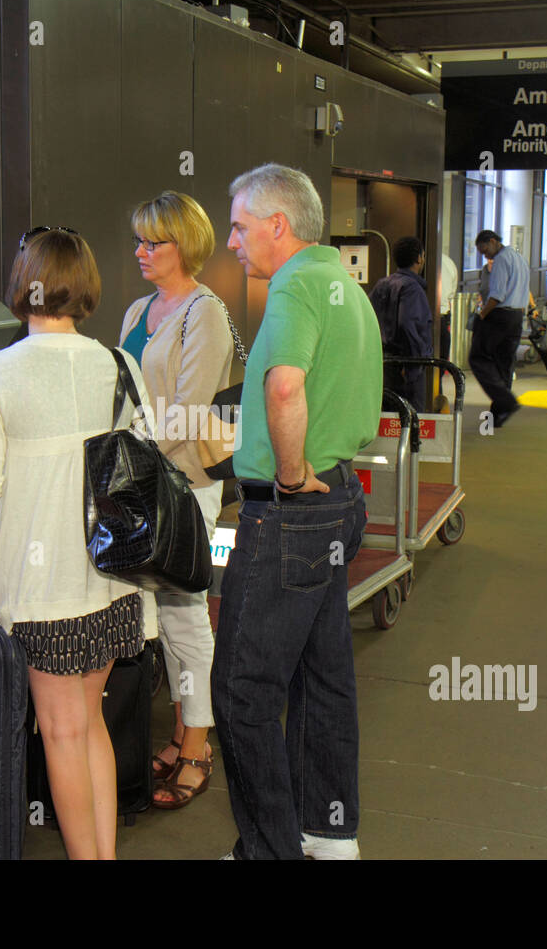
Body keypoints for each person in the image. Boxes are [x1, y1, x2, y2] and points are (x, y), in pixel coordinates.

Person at [0, 228, 148, 860]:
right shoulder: (119, 364)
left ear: (22, 286)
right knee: (89, 722)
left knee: (61, 732)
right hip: (113, 578)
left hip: (45, 592)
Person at [214, 163, 379, 859]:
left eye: (241, 226)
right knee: (322, 674)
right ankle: (327, 830)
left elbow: (286, 388)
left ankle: (268, 850)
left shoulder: (296, 287)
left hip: (292, 515)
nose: (232, 242)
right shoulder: (344, 283)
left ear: (278, 226)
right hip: (338, 504)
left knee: (243, 689)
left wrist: (288, 476)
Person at [117, 192, 232, 810]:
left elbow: (188, 413)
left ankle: (196, 744)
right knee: (152, 622)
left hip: (184, 489)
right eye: (138, 240)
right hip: (141, 485)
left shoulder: (204, 312)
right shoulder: (139, 308)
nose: (139, 251)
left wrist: (129, 460)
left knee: (187, 619)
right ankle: (182, 729)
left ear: (183, 247)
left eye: (152, 242)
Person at [471, 229, 529, 427]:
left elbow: (497, 295)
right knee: (504, 362)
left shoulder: (501, 261)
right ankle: (498, 414)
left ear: (493, 241)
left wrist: (482, 315)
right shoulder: (519, 258)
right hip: (516, 316)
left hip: (499, 316)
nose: (484, 254)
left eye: (484, 248)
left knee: (478, 358)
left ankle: (506, 401)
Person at [369, 235, 433, 412]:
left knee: (386, 419)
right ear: (419, 258)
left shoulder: (382, 284)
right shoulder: (412, 288)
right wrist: (412, 366)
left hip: (383, 363)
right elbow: (408, 326)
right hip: (405, 366)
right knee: (411, 419)